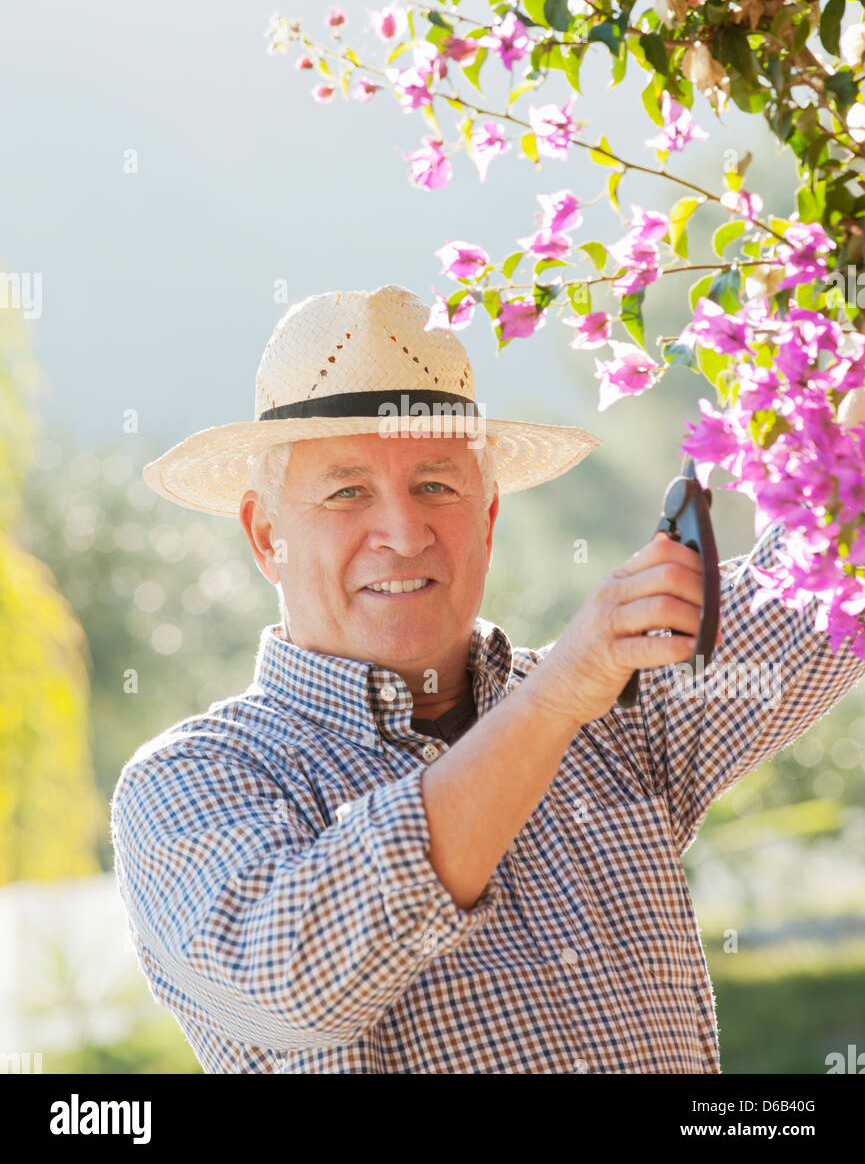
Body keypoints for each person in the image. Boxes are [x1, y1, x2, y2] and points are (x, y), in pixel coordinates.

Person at [110, 282, 865, 1074]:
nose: (403, 534)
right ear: (267, 535)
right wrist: (565, 691)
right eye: (346, 493)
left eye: (436, 485)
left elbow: (830, 577)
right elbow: (292, 984)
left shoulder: (620, 706)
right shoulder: (191, 778)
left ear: (489, 518)